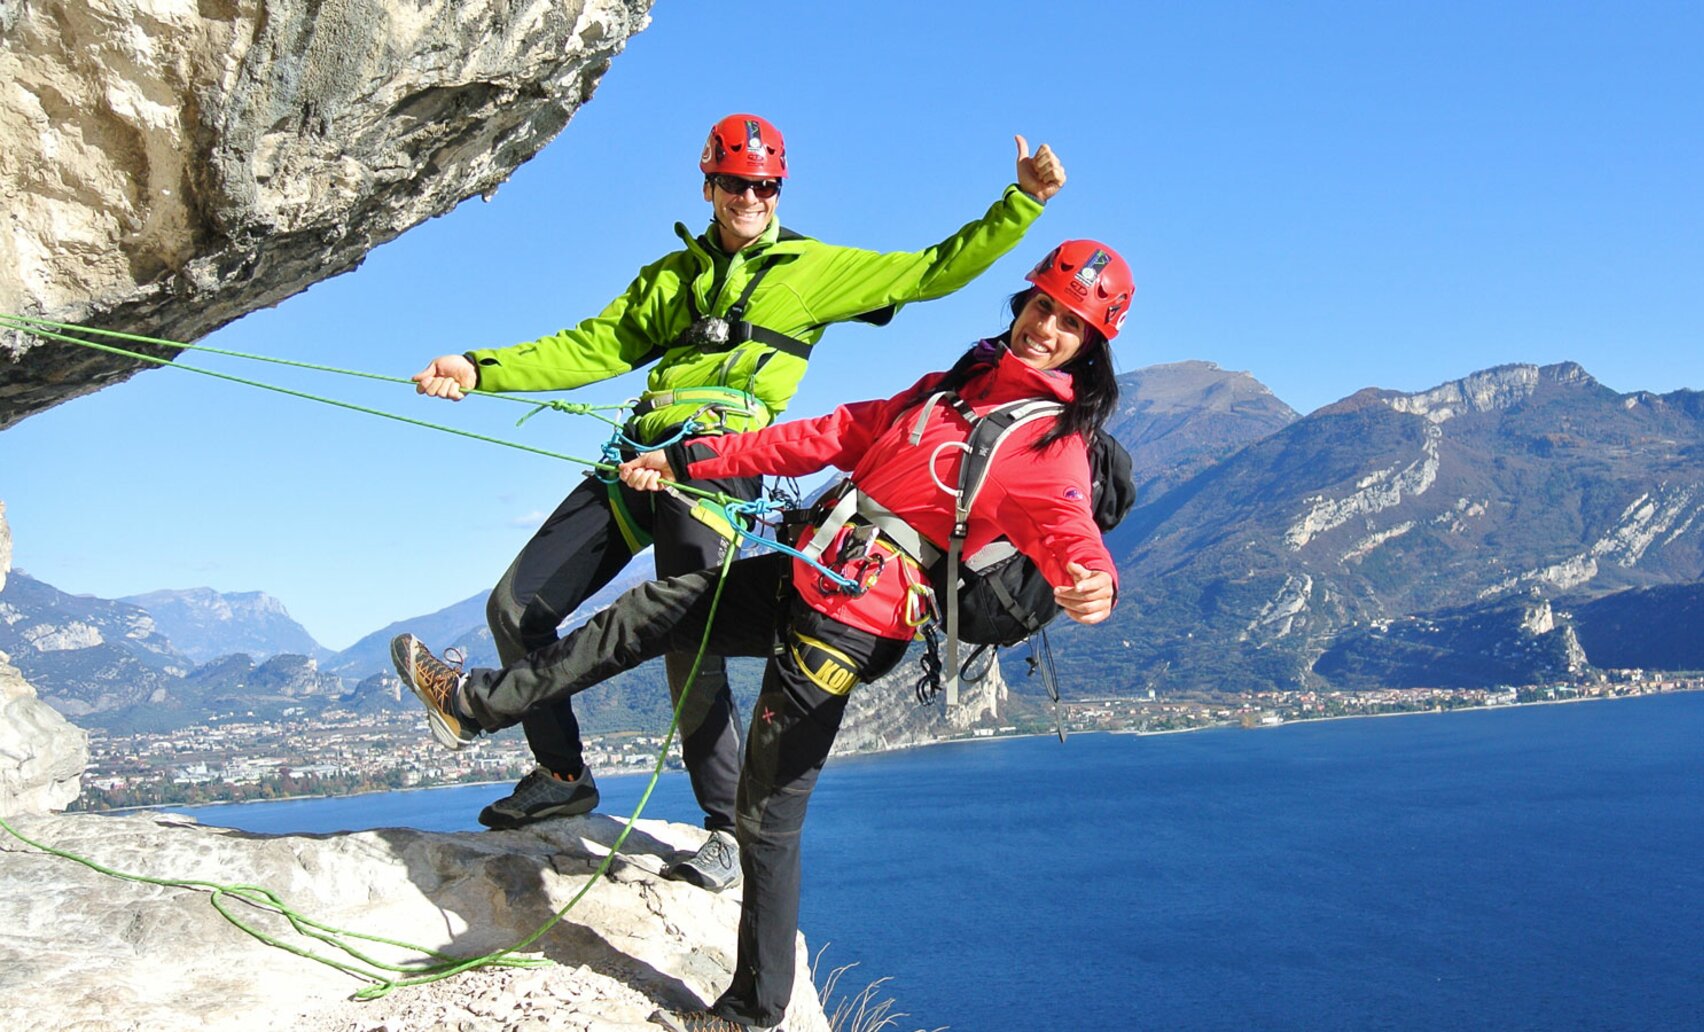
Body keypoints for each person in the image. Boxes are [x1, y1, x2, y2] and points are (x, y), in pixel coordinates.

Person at [391, 239, 1133, 1030]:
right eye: (1042, 306)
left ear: (1089, 347)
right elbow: (825, 434)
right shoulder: (951, 390)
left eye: (1069, 323)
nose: (1045, 328)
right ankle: (473, 705)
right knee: (654, 612)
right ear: (1023, 304)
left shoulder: (1051, 444)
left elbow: (1068, 528)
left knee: (766, 819)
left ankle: (752, 1011)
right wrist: (687, 460)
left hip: (850, 627)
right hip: (805, 575)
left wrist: (1093, 581)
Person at [409, 112, 1067, 890]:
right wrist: (480, 369)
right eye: (734, 184)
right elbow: (591, 346)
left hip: (718, 464)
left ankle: (724, 827)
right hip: (637, 454)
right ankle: (561, 778)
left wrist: (1021, 203)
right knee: (515, 607)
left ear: (778, 189)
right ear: (709, 185)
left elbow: (929, 271)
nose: (749, 198)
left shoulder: (812, 269)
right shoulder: (671, 276)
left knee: (690, 643)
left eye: (763, 186)